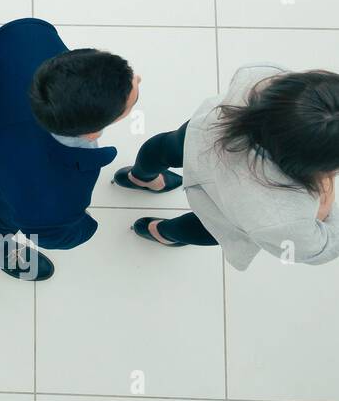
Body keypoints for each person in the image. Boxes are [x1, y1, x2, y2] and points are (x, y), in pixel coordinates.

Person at [0, 20, 138, 281]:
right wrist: (83, 227)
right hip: (6, 181)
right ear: (91, 132)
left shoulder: (27, 36)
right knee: (0, 215)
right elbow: (52, 233)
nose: (137, 78)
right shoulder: (52, 194)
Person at [116, 63, 339, 270]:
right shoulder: (287, 218)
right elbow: (318, 248)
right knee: (209, 227)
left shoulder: (264, 76)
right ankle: (161, 232)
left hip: (204, 136)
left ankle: (140, 177)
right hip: (226, 209)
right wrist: (326, 206)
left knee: (166, 146)